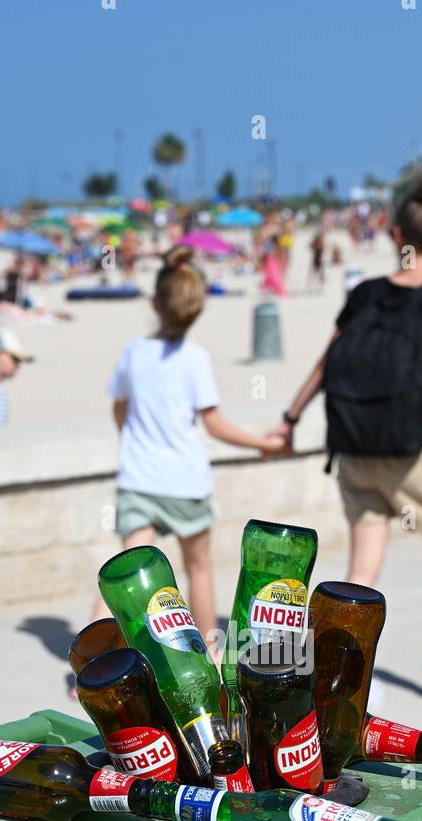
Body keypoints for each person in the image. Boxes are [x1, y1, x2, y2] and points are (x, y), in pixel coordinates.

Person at [276, 175, 422, 700]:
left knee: (362, 568)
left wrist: (290, 416)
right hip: (417, 452)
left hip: (355, 446)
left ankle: (349, 683)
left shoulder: (364, 294)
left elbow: (326, 363)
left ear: (396, 235)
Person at [92, 245, 286, 643]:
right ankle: (208, 649)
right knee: (198, 569)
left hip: (139, 480)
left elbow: (119, 409)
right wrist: (261, 443)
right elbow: (214, 425)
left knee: (126, 571)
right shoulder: (196, 358)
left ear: (155, 303)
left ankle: (96, 657)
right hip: (185, 483)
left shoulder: (133, 353)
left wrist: (133, 438)